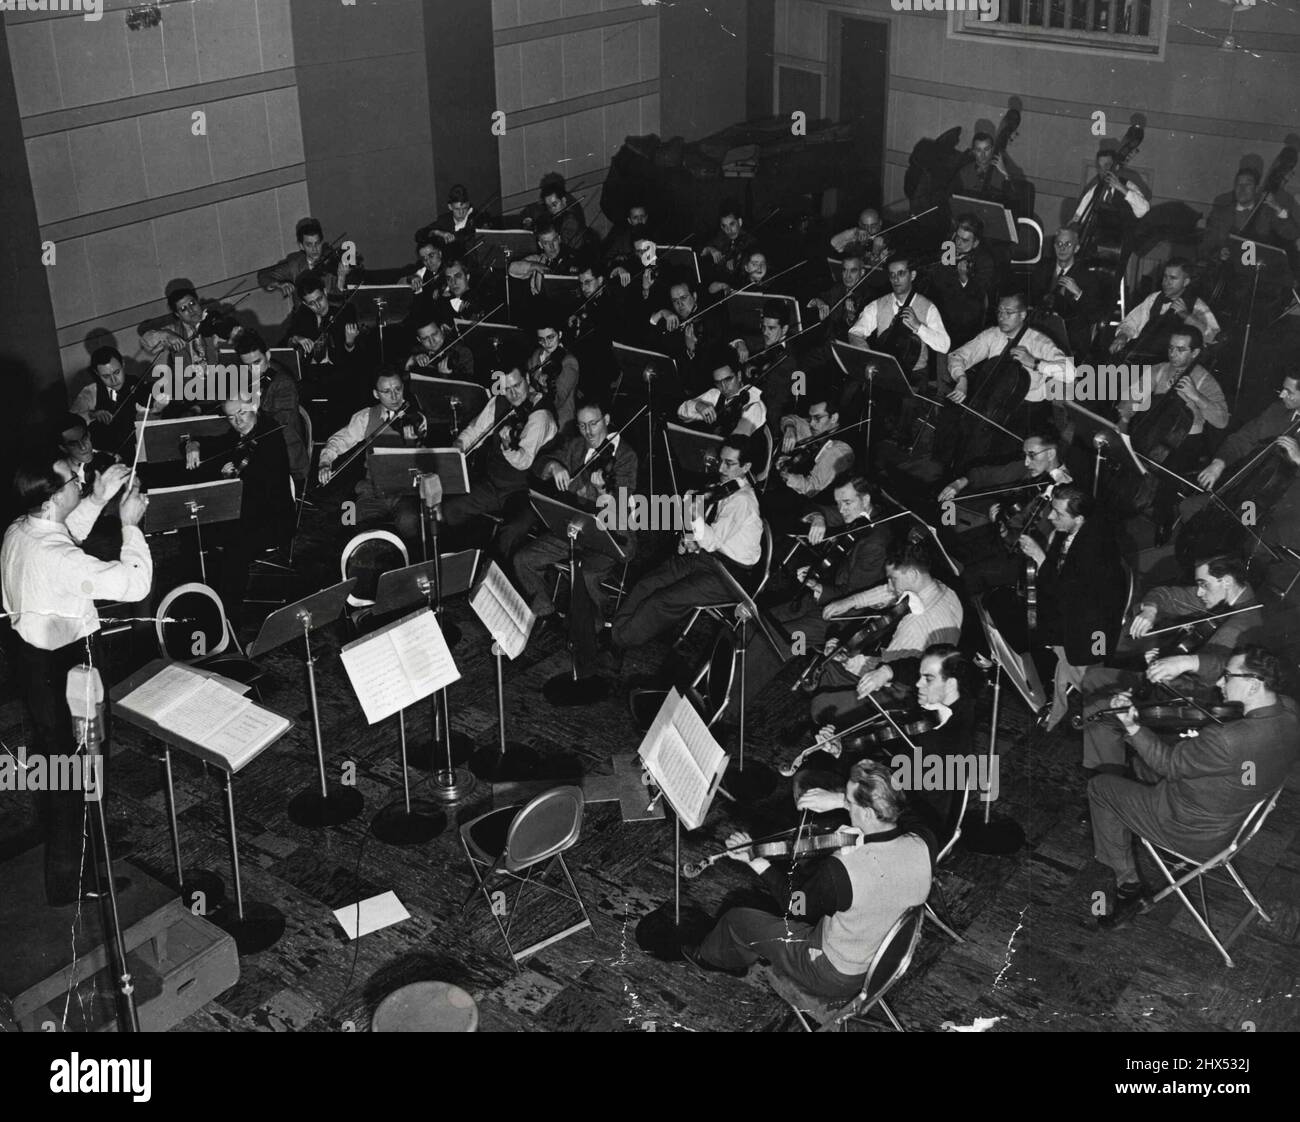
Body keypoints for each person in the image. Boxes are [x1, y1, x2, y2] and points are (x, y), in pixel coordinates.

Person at [2, 455, 151, 906]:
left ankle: (81, 854)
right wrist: (130, 526)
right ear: (51, 497)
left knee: (64, 766)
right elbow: (135, 584)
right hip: (70, 667)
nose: (82, 481)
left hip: (34, 664)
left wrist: (100, 496)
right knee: (82, 768)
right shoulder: (57, 557)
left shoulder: (21, 528)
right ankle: (74, 878)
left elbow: (68, 534)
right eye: (75, 480)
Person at [681, 760, 931, 1003]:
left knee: (738, 919)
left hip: (834, 973)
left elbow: (795, 906)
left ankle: (708, 956)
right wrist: (844, 802)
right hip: (887, 957)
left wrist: (756, 861)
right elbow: (911, 814)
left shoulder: (842, 869)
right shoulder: (924, 840)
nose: (846, 804)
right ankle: (749, 950)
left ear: (867, 812)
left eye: (849, 801)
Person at [1089, 645, 1297, 928]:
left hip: (1190, 832)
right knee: (1140, 766)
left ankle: (1129, 885)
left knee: (1101, 787)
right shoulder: (1289, 709)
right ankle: (1129, 819)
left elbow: (1169, 764)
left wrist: (1132, 725)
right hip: (1237, 823)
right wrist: (1186, 662)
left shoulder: (1228, 739)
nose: (1221, 681)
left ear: (1251, 685)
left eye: (1228, 676)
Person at [1076, 555, 1263, 775]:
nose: (1199, 592)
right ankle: (1108, 764)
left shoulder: (1248, 623)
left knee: (1104, 703)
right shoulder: (1218, 597)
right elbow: (1164, 594)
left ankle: (1107, 775)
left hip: (1196, 699)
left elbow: (1219, 671)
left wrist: (1182, 662)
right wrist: (1150, 611)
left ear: (1227, 581)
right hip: (1173, 680)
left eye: (1204, 584)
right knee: (1094, 678)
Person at [737, 477, 890, 711]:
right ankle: (728, 678)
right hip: (822, 597)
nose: (842, 509)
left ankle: (731, 706)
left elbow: (854, 599)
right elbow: (813, 508)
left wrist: (819, 588)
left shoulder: (876, 542)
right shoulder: (854, 513)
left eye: (846, 503)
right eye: (838, 503)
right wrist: (818, 518)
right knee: (757, 620)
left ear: (866, 499)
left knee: (770, 642)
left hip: (841, 619)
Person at [800, 644, 980, 841]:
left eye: (927, 679)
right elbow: (914, 666)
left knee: (807, 786)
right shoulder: (962, 701)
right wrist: (885, 672)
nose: (918, 684)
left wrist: (842, 801)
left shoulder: (940, 748)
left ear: (951, 684)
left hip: (911, 830)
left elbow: (898, 805)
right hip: (902, 790)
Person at [610, 435, 762, 652]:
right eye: (721, 460)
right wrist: (689, 538)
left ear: (746, 467)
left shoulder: (742, 501)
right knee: (648, 582)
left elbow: (711, 540)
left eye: (730, 463)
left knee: (662, 600)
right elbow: (703, 534)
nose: (721, 468)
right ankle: (617, 631)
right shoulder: (724, 486)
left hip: (731, 575)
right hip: (708, 558)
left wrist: (692, 512)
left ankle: (619, 642)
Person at [808, 536, 964, 724]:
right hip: (930, 670)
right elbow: (889, 592)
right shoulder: (945, 590)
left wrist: (847, 660)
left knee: (822, 703)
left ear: (913, 574)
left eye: (892, 579)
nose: (889, 586)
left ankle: (836, 734)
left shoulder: (915, 626)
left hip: (905, 693)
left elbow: (886, 673)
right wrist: (850, 601)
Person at [512, 400, 638, 631]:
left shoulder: (626, 456)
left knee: (587, 574)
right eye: (582, 426)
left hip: (609, 534)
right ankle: (545, 613)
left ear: (607, 420)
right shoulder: (576, 446)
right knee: (523, 560)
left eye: (594, 424)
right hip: (573, 527)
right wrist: (554, 466)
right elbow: (538, 463)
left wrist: (602, 491)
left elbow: (620, 507)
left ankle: (594, 630)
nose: (588, 432)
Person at [1014, 486, 1126, 730]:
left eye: (1058, 514)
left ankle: (1108, 717)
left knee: (1084, 678)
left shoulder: (1094, 548)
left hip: (1091, 626)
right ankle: (1061, 704)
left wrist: (1040, 557)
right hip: (1075, 611)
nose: (1051, 517)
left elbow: (1067, 593)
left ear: (1079, 518)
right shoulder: (1075, 531)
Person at [184, 395, 294, 629]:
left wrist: (232, 477)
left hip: (272, 517)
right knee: (193, 529)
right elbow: (219, 445)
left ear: (253, 406)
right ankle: (203, 599)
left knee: (235, 545)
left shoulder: (270, 434)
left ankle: (226, 619)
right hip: (243, 509)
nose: (237, 422)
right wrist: (193, 444)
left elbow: (265, 488)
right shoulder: (240, 433)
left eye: (242, 414)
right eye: (231, 417)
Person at [1117, 327, 1228, 542]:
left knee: (1167, 469)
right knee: (1126, 454)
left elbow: (1222, 420)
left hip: (1187, 439)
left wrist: (1196, 396)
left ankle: (1163, 517)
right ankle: (1125, 503)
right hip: (1154, 432)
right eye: (1170, 348)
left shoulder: (1205, 380)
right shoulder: (1159, 370)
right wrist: (1124, 419)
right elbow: (1132, 397)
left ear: (1195, 353)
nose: (1173, 354)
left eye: (1180, 349)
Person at [937, 426, 1076, 596]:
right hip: (1003, 535)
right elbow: (988, 474)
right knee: (949, 546)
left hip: (1024, 555)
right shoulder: (1028, 470)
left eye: (1031, 455)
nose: (1026, 462)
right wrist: (958, 484)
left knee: (970, 575)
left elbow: (1039, 540)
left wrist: (1007, 534)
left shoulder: (1065, 491)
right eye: (1025, 455)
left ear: (1051, 454)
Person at [438, 366, 557, 551]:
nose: (513, 393)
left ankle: (499, 574)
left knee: (511, 531)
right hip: (494, 484)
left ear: (527, 378)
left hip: (524, 491)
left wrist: (508, 446)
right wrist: (459, 445)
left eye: (517, 385)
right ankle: (464, 562)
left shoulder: (540, 416)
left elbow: (524, 461)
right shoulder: (499, 402)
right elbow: (476, 430)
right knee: (451, 509)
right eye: (506, 388)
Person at [317, 369, 429, 546]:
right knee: (357, 524)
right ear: (376, 394)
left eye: (398, 389)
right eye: (386, 392)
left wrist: (415, 443)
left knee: (409, 523)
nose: (394, 397)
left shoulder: (417, 415)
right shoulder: (366, 416)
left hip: (408, 489)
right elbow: (339, 440)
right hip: (373, 487)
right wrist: (325, 461)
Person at [234, 330, 308, 484]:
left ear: (267, 355)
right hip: (263, 448)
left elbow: (279, 424)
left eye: (257, 362)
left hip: (286, 455)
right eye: (247, 365)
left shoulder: (283, 382)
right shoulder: (253, 378)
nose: (253, 370)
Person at [1109, 258, 1218, 359]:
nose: (1166, 282)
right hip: (1144, 358)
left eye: (1173, 278)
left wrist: (1188, 317)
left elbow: (1213, 338)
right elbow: (1131, 322)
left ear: (1186, 282)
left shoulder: (1197, 305)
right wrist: (1122, 336)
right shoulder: (1153, 299)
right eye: (1165, 276)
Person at [1031, 225, 1105, 358]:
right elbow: (1031, 299)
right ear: (1054, 246)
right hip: (1041, 333)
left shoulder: (1088, 277)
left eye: (1068, 244)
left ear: (1076, 248)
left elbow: (1095, 314)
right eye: (1059, 243)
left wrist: (1079, 293)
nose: (1062, 248)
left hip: (1071, 341)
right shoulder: (1042, 269)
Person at [258, 217, 357, 301]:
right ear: (301, 246)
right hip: (304, 317)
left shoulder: (332, 260)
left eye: (317, 243)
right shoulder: (294, 264)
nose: (314, 249)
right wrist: (279, 285)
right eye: (309, 245)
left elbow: (341, 298)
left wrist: (341, 277)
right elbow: (263, 276)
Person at [676, 346, 766, 438]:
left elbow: (737, 443)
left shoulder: (754, 404)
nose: (724, 387)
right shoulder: (715, 394)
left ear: (739, 376)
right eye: (718, 383)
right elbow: (681, 412)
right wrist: (698, 405)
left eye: (728, 380)